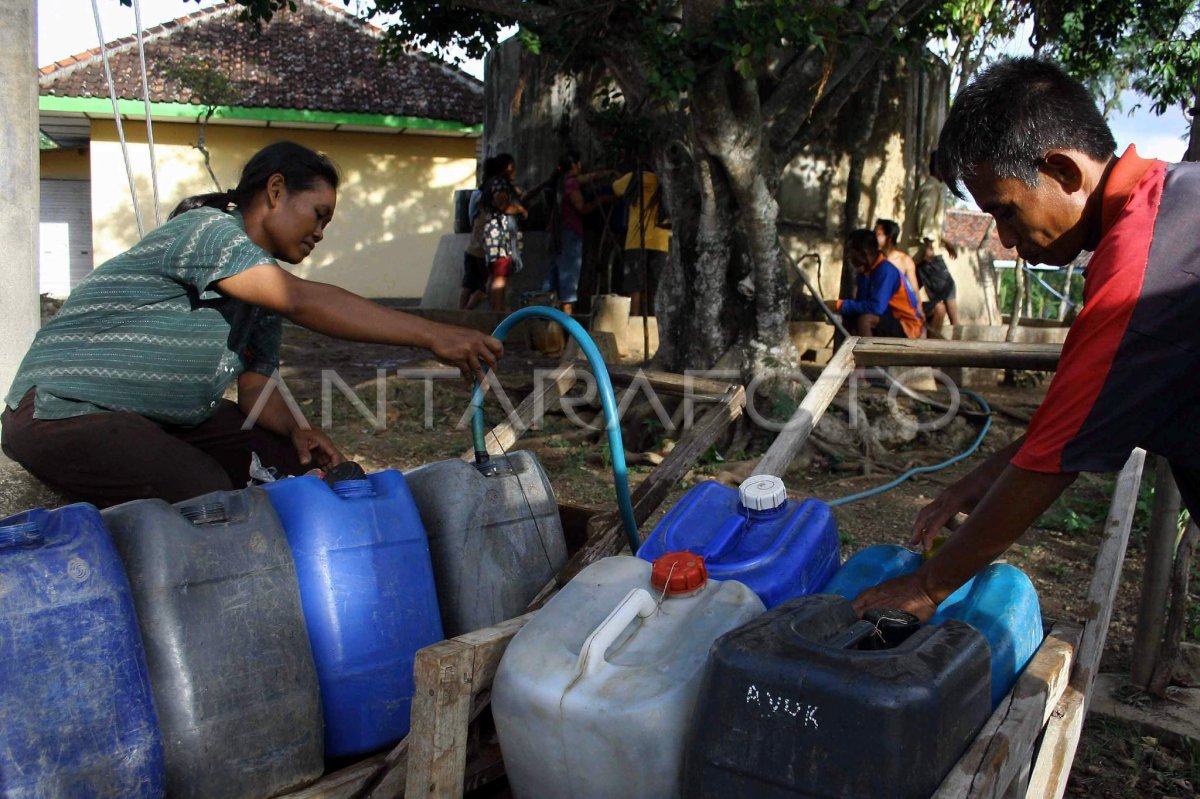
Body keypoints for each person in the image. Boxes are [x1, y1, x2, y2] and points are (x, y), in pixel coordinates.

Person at [853, 56, 1200, 620]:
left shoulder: (1141, 273)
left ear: (1064, 171)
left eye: (1007, 212)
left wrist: (926, 588)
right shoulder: (1175, 203)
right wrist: (979, 480)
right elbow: (1077, 420)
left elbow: (1054, 460)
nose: (1009, 241)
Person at [1, 141, 502, 508]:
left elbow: (256, 384)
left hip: (155, 420)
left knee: (290, 463)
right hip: (60, 412)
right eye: (318, 215)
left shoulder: (258, 290)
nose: (320, 234)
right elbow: (303, 301)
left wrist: (300, 429)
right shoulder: (207, 230)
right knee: (205, 492)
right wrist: (434, 335)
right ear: (277, 191)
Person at [541, 151, 618, 316]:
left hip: (553, 235)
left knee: (551, 282)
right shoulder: (571, 185)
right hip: (569, 235)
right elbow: (581, 207)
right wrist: (602, 201)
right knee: (568, 286)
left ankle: (548, 328)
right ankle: (567, 328)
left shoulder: (559, 182)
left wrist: (605, 173)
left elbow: (587, 177)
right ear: (575, 165)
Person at [827, 229, 924, 338]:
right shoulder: (864, 273)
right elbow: (862, 304)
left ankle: (867, 354)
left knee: (865, 320)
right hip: (887, 320)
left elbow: (876, 307)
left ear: (865, 252)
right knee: (849, 319)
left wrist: (839, 305)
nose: (849, 258)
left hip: (907, 326)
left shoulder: (886, 270)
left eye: (852, 253)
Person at [469, 154, 528, 311]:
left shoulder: (491, 183)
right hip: (500, 235)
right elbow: (503, 206)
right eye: (513, 166)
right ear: (508, 166)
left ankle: (494, 311)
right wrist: (520, 209)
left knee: (494, 274)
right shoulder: (498, 183)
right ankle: (497, 312)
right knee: (500, 274)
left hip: (492, 235)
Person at [612, 164, 671, 316]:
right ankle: (654, 319)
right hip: (660, 239)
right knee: (655, 286)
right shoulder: (664, 179)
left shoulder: (633, 178)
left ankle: (635, 318)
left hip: (635, 239)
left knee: (634, 286)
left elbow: (615, 188)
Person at [916, 237, 959, 336]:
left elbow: (931, 233)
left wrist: (929, 253)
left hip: (929, 262)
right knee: (940, 309)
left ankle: (956, 345)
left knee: (945, 309)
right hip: (925, 262)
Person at [874, 218, 921, 299]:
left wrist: (918, 310)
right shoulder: (872, 259)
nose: (873, 238)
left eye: (877, 234)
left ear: (889, 238)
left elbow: (914, 292)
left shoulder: (905, 261)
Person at [458, 185, 486, 310]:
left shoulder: (476, 197)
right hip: (483, 251)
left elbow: (470, 219)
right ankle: (467, 310)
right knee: (483, 288)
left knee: (468, 284)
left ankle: (460, 311)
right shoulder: (491, 213)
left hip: (471, 247)